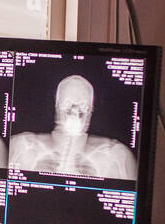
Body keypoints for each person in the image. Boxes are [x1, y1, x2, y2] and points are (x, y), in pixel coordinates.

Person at [8, 74, 137, 179]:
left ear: (91, 111)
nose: (75, 111)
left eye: (83, 106)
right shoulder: (24, 147)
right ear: (57, 106)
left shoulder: (114, 157)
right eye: (68, 104)